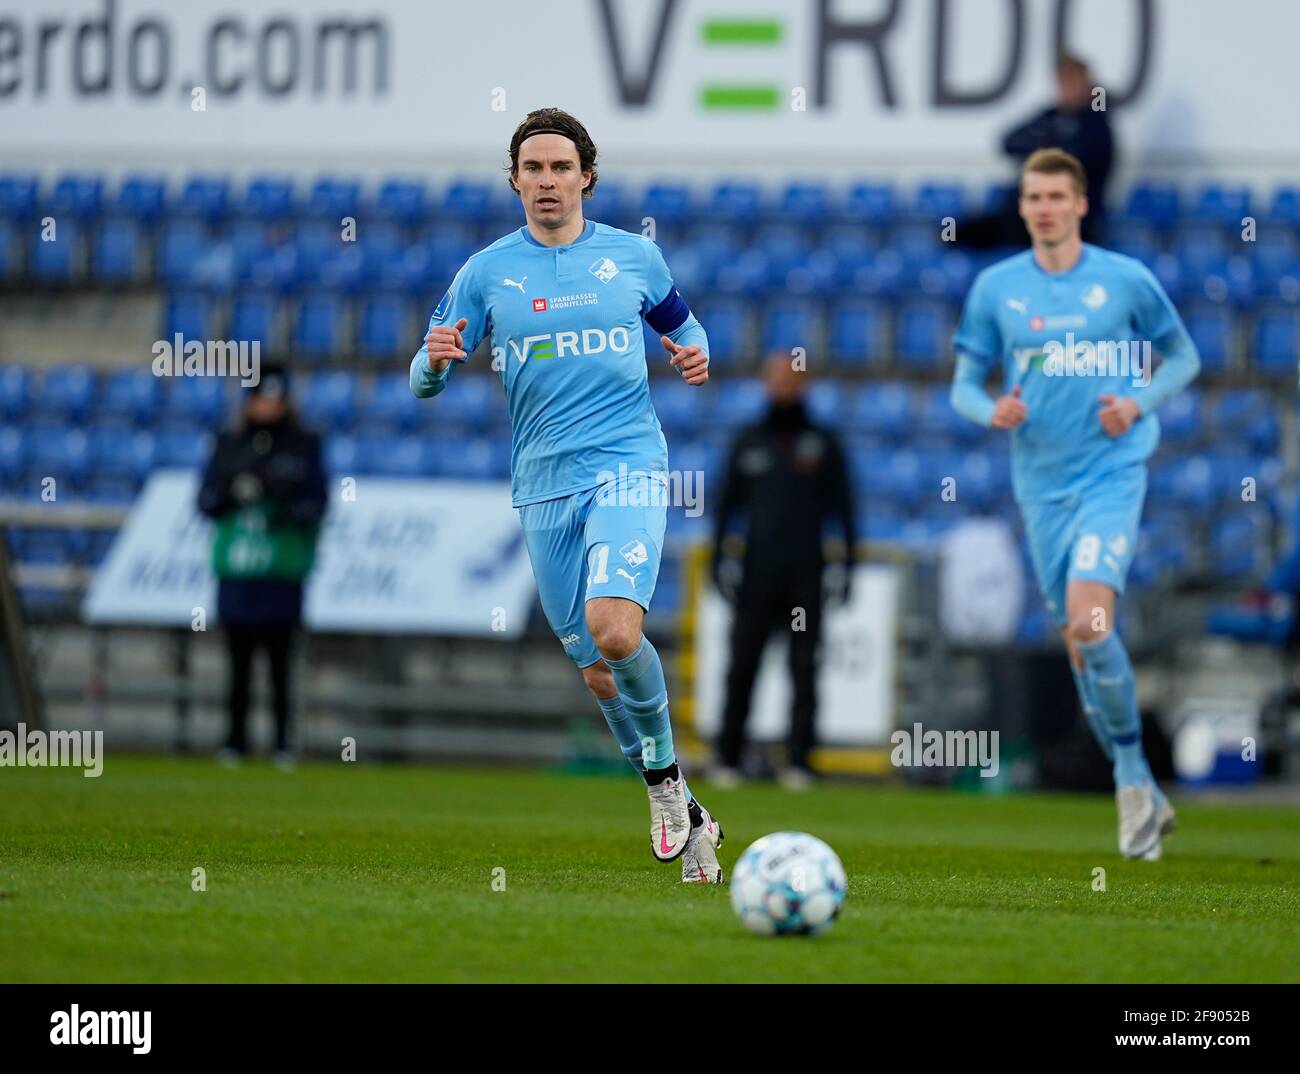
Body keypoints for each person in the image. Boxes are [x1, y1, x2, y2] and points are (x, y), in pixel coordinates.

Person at [409, 108, 724, 883]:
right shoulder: (486, 273)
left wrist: (694, 357)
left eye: (560, 169)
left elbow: (689, 329)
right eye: (533, 169)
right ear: (515, 180)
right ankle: (690, 807)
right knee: (595, 669)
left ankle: (660, 782)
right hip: (543, 488)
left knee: (615, 632)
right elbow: (423, 377)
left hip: (627, 467)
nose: (547, 182)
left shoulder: (633, 257)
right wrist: (437, 360)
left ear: (586, 176)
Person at [949, 147, 1200, 860]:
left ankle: (1128, 783)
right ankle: (1145, 783)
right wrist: (989, 409)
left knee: (1092, 623)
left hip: (1113, 474)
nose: (1045, 207)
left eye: (1058, 195)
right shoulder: (998, 288)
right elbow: (962, 383)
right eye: (1033, 197)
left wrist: (1139, 401)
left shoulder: (1125, 281)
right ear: (1023, 206)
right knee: (1080, 648)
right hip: (1042, 486)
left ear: (1081, 204)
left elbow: (1183, 358)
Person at [710, 356, 856, 790]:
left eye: (791, 378)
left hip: (805, 577)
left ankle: (799, 762)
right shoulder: (748, 441)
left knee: (804, 667)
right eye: (775, 378)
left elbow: (845, 511)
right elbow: (724, 510)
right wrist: (721, 561)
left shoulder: (823, 443)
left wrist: (846, 567)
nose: (783, 386)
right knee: (741, 667)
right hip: (756, 575)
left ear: (805, 382)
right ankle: (728, 759)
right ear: (765, 383)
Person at [197, 365, 327, 768]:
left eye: (275, 398)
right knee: (237, 662)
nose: (268, 406)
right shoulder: (229, 442)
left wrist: (280, 505)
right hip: (237, 567)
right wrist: (237, 494)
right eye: (261, 398)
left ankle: (283, 742)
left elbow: (317, 502)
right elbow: (205, 500)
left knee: (281, 661)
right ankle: (234, 740)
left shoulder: (304, 444)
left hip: (282, 568)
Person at [963, 54, 1115, 248]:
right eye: (1063, 83)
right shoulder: (1052, 116)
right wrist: (1048, 145)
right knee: (964, 233)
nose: (1067, 90)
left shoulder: (1097, 124)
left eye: (1073, 82)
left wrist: (1045, 147)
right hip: (1028, 214)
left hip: (1075, 219)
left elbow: (1081, 160)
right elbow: (1009, 141)